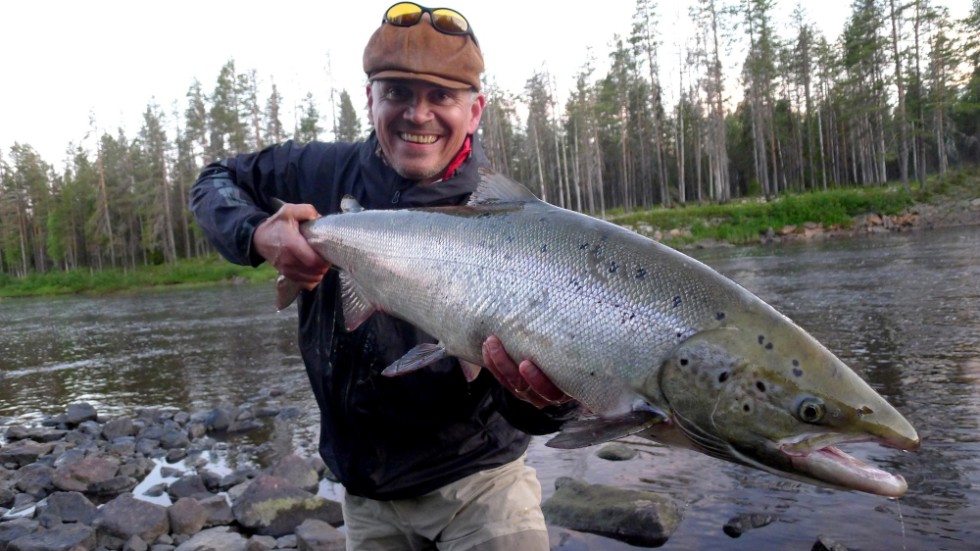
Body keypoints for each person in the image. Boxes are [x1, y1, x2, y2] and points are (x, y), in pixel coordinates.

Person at [189, 3, 579, 549]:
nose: (418, 115)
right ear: (369, 97)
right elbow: (215, 179)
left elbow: (531, 411)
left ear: (476, 108)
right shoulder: (318, 171)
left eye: (441, 96)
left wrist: (547, 400)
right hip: (365, 498)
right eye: (397, 92)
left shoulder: (511, 222)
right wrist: (256, 233)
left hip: (482, 491)